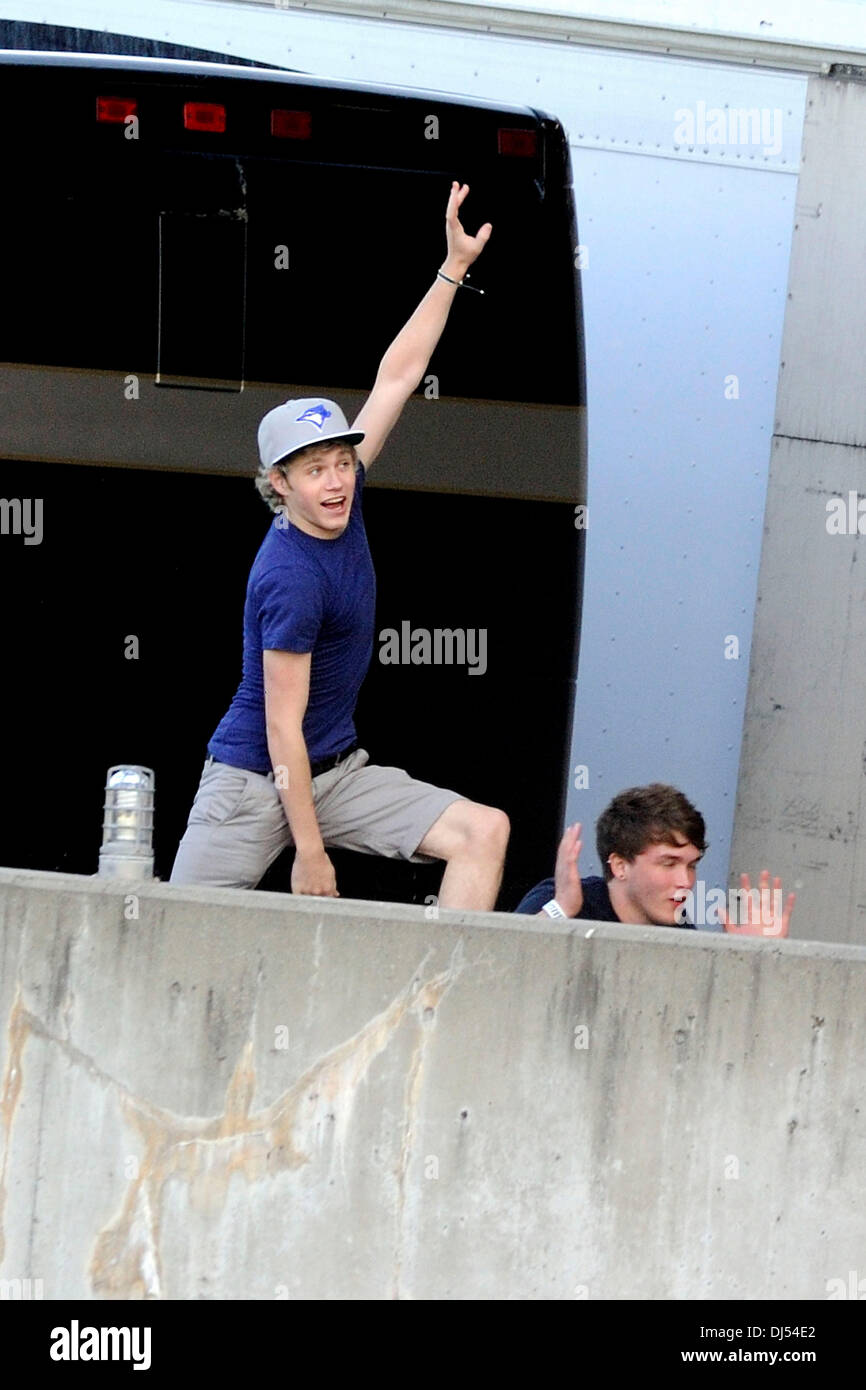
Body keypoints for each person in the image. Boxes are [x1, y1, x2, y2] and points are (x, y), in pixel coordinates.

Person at [170, 182, 509, 908]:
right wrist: (312, 855)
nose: (337, 482)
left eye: (343, 463)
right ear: (278, 484)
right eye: (315, 469)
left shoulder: (344, 505)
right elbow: (280, 729)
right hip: (256, 782)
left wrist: (451, 268)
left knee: (485, 832)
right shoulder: (289, 576)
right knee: (166, 929)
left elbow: (396, 376)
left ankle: (429, 1015)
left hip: (333, 773)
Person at [515, 783, 795, 936]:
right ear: (621, 866)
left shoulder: (680, 931)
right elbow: (500, 964)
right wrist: (560, 910)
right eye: (669, 863)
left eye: (691, 865)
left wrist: (752, 958)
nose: (685, 882)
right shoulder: (561, 899)